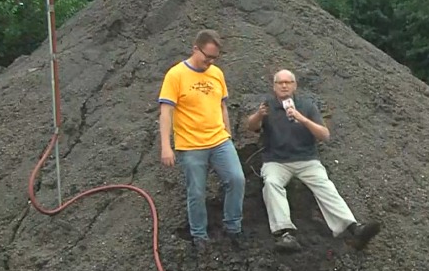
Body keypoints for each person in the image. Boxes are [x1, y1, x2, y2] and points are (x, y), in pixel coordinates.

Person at [246, 69, 381, 252]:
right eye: (280, 83)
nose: (284, 85)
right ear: (274, 86)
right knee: (271, 183)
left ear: (295, 85)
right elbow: (251, 127)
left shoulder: (307, 106)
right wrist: (259, 115)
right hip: (276, 161)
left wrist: (302, 119)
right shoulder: (267, 106)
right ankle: (285, 233)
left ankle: (353, 228)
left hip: (307, 160)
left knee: (324, 185)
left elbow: (324, 135)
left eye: (288, 82)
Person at [158, 29, 246, 249]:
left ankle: (233, 227)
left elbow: (222, 105)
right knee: (196, 192)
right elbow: (166, 112)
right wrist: (166, 147)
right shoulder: (176, 75)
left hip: (219, 141)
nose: (210, 62)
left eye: (214, 58)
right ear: (195, 48)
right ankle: (199, 236)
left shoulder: (216, 73)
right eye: (207, 57)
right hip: (190, 145)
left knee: (237, 179)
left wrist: (228, 134)